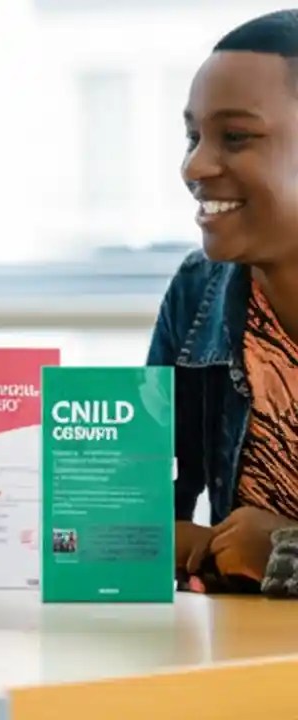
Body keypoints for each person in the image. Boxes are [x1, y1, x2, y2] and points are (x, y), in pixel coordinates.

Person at [152, 8, 298, 597]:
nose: (195, 166)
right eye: (193, 136)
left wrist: (282, 551)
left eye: (235, 137)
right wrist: (159, 538)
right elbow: (138, 507)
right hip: (243, 664)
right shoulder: (199, 291)